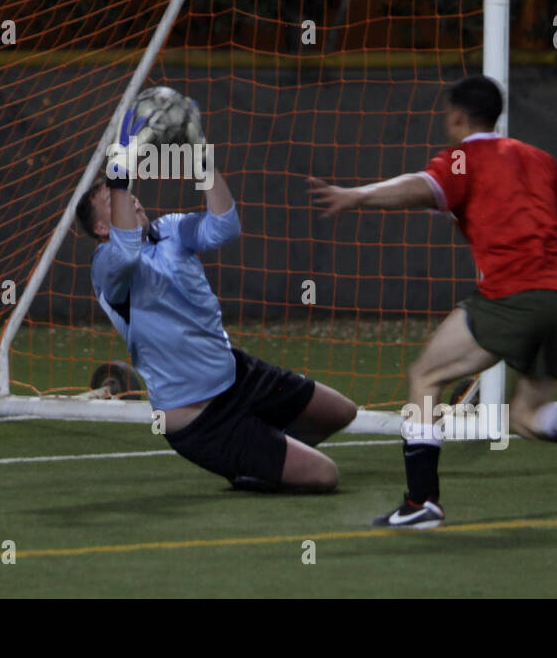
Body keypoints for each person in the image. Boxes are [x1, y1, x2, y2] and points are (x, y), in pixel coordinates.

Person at [309, 75, 557, 527]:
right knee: (527, 417)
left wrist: (358, 196)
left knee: (425, 377)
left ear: (456, 116)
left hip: (514, 296)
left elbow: (419, 187)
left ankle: (421, 504)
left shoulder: (461, 159)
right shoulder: (540, 160)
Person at [77, 101, 356, 492]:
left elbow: (224, 228)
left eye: (125, 192)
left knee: (341, 412)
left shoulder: (170, 229)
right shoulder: (106, 265)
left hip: (237, 377)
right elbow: (125, 250)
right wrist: (120, 166)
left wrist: (200, 156)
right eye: (114, 199)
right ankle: (252, 463)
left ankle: (270, 451)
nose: (129, 198)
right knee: (326, 476)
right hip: (199, 417)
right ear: (103, 227)